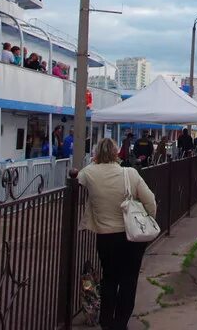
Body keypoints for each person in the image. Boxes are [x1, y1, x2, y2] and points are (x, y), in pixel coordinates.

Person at [78, 137, 157, 330]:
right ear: (116, 153)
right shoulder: (129, 173)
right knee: (129, 279)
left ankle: (107, 321)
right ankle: (121, 322)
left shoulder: (89, 173)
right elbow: (150, 201)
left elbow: (76, 179)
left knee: (110, 278)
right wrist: (148, 220)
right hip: (132, 236)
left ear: (96, 154)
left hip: (106, 236)